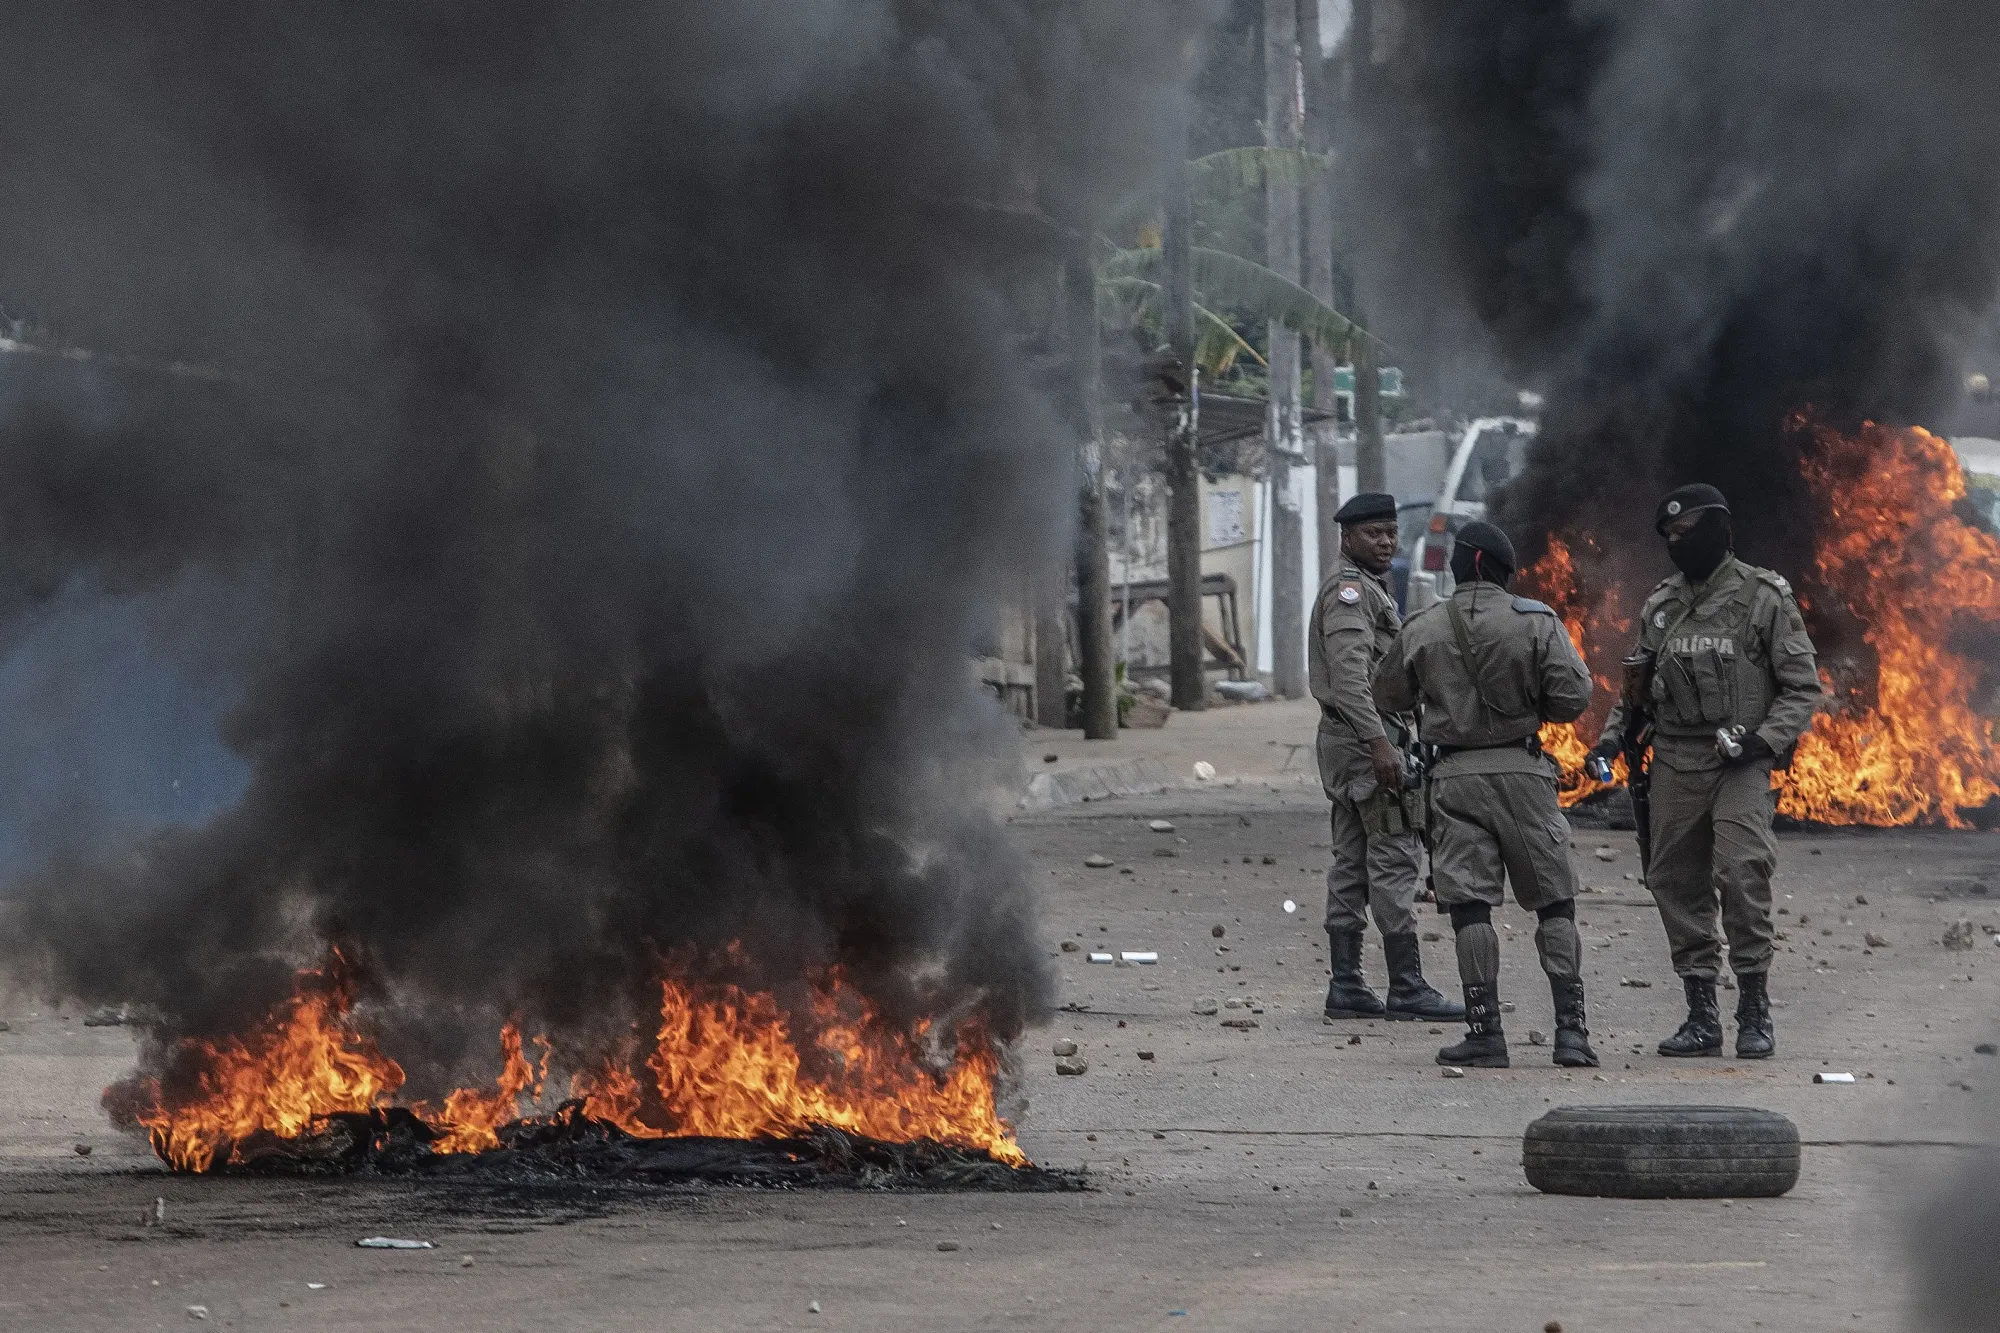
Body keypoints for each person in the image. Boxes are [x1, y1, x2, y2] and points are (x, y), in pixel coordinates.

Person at [1587, 484, 1821, 1060]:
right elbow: (1635, 692)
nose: (1677, 543)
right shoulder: (1661, 605)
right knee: (1673, 881)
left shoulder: (1763, 596)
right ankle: (1701, 1014)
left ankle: (1754, 1009)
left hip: (1738, 760)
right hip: (1673, 759)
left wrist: (1762, 743)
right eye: (1670, 536)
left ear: (1720, 530)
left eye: (1688, 532)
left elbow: (1801, 688)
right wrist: (1612, 741)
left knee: (1741, 872)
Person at [1372, 521, 1597, 1068]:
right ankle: (1572, 1034)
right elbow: (1574, 698)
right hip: (1524, 774)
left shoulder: (1425, 625)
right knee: (1553, 900)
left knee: (1469, 907)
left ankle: (1484, 1033)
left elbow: (1386, 692)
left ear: (1465, 564)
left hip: (1455, 780)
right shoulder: (1537, 622)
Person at [1308, 492, 1461, 1022]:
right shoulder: (1350, 592)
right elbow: (1350, 677)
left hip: (1348, 742)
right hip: (1365, 743)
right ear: (1348, 537)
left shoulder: (1367, 587)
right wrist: (1380, 744)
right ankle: (1406, 986)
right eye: (1375, 533)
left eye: (1391, 533)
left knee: (1350, 861)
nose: (1387, 542)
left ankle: (1346, 985)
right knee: (1393, 857)